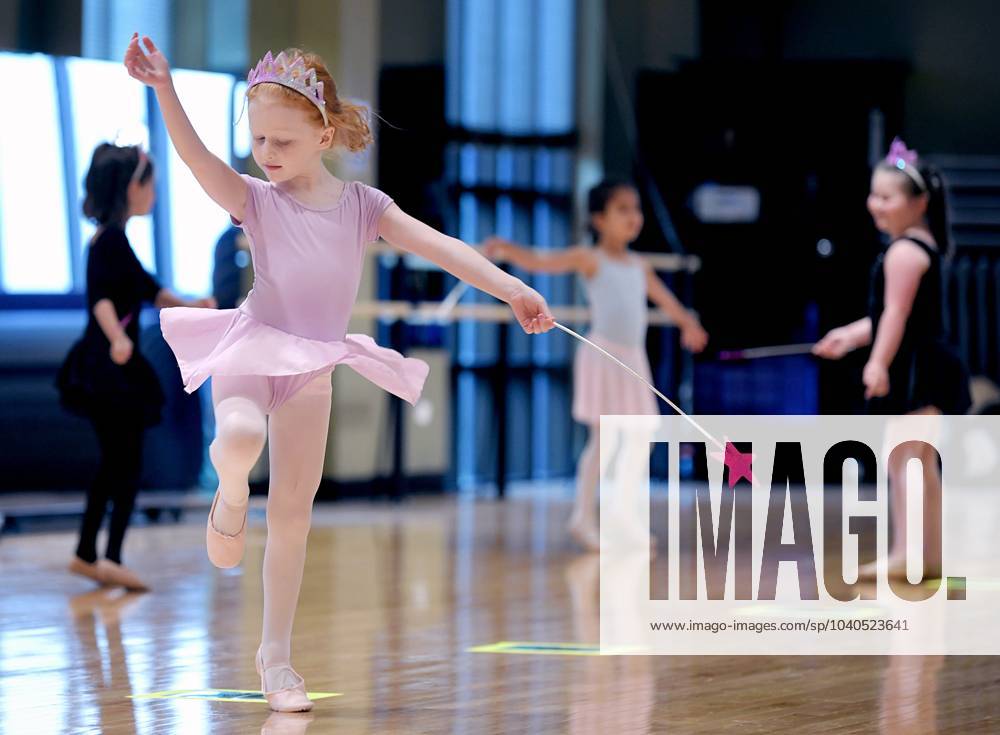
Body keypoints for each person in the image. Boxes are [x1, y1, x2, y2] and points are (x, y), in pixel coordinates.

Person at [125, 36, 554, 710]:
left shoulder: (364, 206)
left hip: (313, 364)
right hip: (249, 346)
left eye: (283, 142)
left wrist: (511, 288)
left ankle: (276, 657)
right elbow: (200, 160)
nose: (266, 154)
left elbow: (442, 247)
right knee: (238, 437)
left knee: (293, 515)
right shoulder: (256, 200)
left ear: (324, 134)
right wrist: (165, 91)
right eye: (259, 138)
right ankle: (230, 496)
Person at [483, 179, 708, 551]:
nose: (633, 217)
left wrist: (688, 323)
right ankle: (583, 517)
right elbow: (542, 260)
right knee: (603, 440)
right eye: (622, 209)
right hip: (603, 355)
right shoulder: (590, 258)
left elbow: (667, 302)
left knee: (641, 439)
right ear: (599, 219)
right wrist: (506, 249)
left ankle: (625, 518)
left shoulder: (640, 265)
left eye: (636, 209)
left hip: (633, 359)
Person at [58, 142, 215, 592]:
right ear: (132, 187)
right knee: (123, 463)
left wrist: (193, 305)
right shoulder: (107, 241)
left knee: (116, 462)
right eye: (151, 187)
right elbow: (101, 299)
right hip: (108, 365)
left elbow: (152, 290)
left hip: (111, 364)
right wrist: (118, 337)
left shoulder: (116, 240)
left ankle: (90, 553)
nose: (154, 196)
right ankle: (108, 556)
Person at [813, 137, 971, 581]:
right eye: (873, 194)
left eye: (887, 197)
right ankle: (928, 555)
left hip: (917, 369)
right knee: (920, 460)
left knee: (904, 458)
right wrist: (850, 336)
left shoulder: (902, 252)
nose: (875, 204)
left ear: (919, 203)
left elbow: (898, 316)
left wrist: (877, 362)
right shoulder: (921, 245)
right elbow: (893, 316)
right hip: (933, 362)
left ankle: (906, 553)